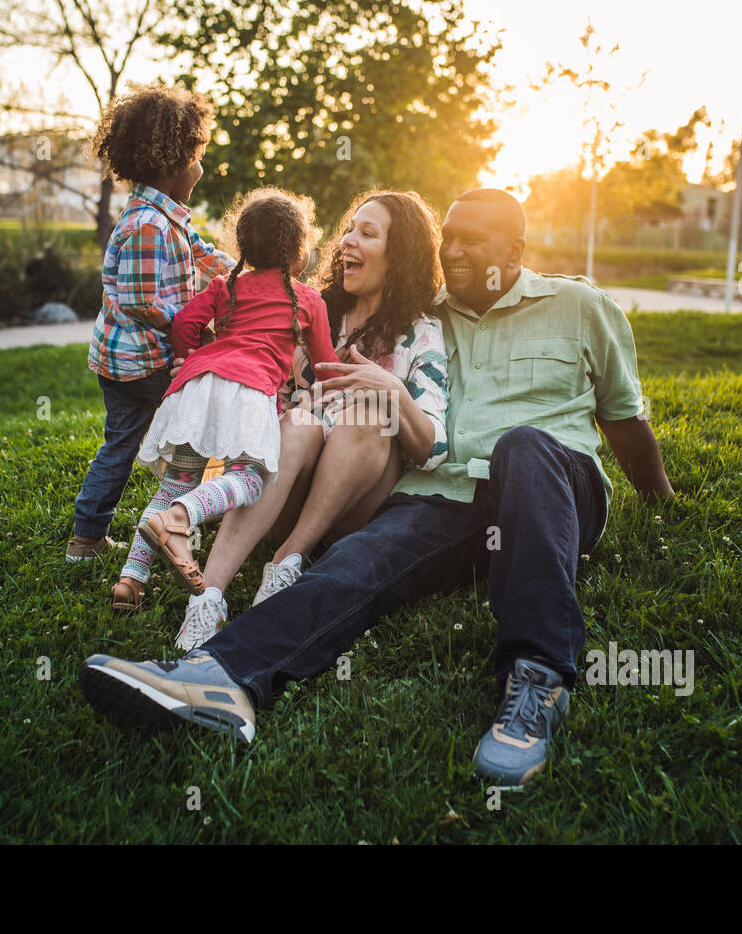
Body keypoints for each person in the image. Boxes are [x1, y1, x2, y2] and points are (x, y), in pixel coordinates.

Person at [78, 188, 675, 786]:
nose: (456, 250)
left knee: (521, 444)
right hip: (447, 493)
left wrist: (661, 502)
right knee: (351, 563)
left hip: (548, 484)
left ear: (516, 248)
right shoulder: (427, 313)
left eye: (473, 239)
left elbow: (625, 417)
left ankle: (537, 678)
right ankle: (219, 677)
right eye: (449, 238)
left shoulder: (579, 305)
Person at [178, 190, 451, 640]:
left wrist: (394, 392)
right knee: (301, 422)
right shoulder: (307, 308)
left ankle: (287, 563)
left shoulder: (421, 336)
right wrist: (201, 363)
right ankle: (207, 597)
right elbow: (248, 372)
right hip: (281, 492)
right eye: (348, 230)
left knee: (369, 407)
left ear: (399, 254)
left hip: (354, 503)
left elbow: (432, 448)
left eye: (367, 233)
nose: (347, 242)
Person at [118, 188, 343, 649]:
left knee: (174, 482)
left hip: (197, 386)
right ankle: (181, 518)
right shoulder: (307, 299)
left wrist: (192, 356)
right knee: (251, 480)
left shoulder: (225, 287)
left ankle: (130, 580)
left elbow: (183, 324)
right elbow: (324, 361)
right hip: (249, 393)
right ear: (300, 251)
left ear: (242, 247)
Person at [64, 85, 235, 566]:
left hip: (130, 359)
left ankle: (88, 538)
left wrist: (247, 273)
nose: (202, 169)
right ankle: (180, 518)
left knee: (121, 442)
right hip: (139, 363)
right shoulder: (147, 226)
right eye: (197, 157)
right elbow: (140, 301)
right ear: (172, 162)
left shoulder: (166, 216)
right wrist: (191, 322)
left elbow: (204, 253)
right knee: (201, 420)